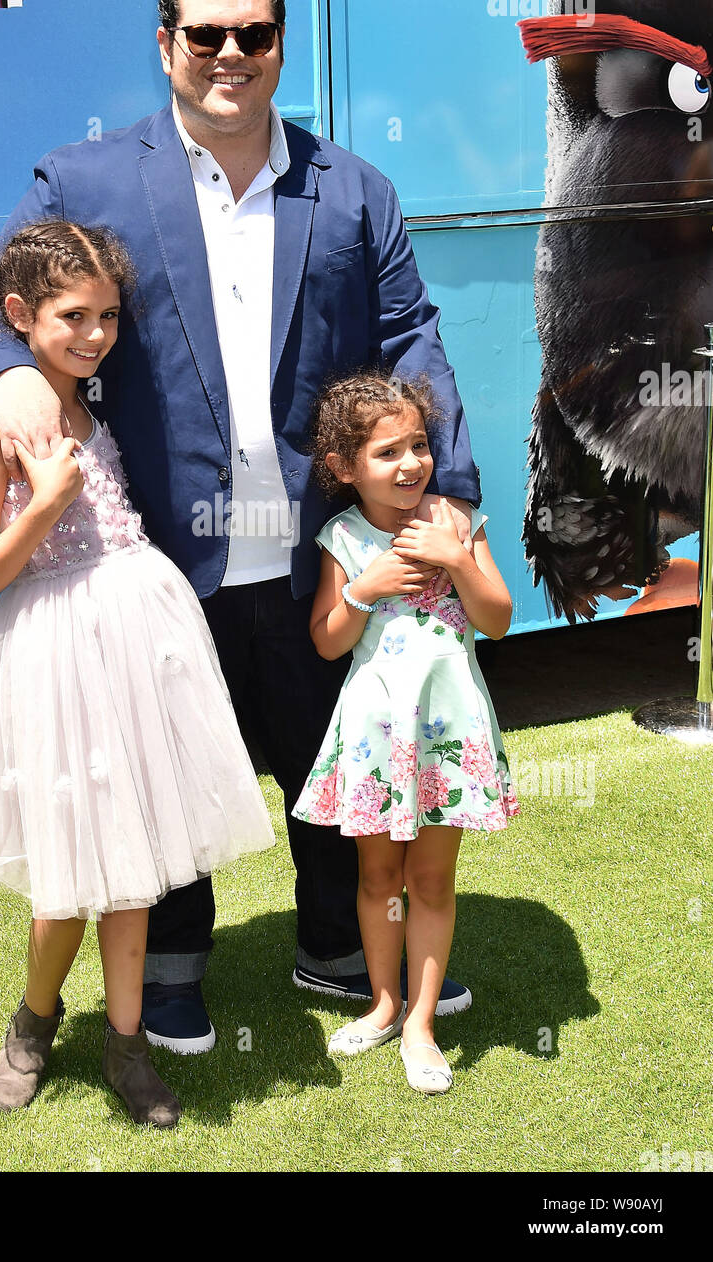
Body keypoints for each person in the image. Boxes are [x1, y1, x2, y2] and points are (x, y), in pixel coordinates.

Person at [0, 0, 483, 1054]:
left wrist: (452, 497)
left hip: (307, 545)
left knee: (324, 739)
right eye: (206, 33)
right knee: (167, 757)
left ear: (281, 44)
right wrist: (4, 378)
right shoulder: (86, 179)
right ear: (166, 44)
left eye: (255, 33)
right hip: (154, 554)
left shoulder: (350, 191)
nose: (230, 53)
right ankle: (177, 970)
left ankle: (338, 944)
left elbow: (410, 337)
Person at [0, 221, 275, 1127]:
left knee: (136, 869)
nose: (95, 335)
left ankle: (126, 1045)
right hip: (55, 657)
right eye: (71, 316)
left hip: (138, 644)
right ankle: (34, 1021)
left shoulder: (95, 407)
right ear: (17, 315)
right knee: (69, 882)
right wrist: (45, 505)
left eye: (109, 316)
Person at [292, 372, 519, 1093]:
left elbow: (499, 617)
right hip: (373, 737)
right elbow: (328, 641)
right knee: (378, 878)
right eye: (387, 452)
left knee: (430, 880)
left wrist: (456, 560)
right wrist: (368, 585)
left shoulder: (458, 521)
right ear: (343, 468)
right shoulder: (344, 537)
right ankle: (384, 1003)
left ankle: (422, 1023)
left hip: (448, 731)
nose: (411, 464)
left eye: (418, 444)